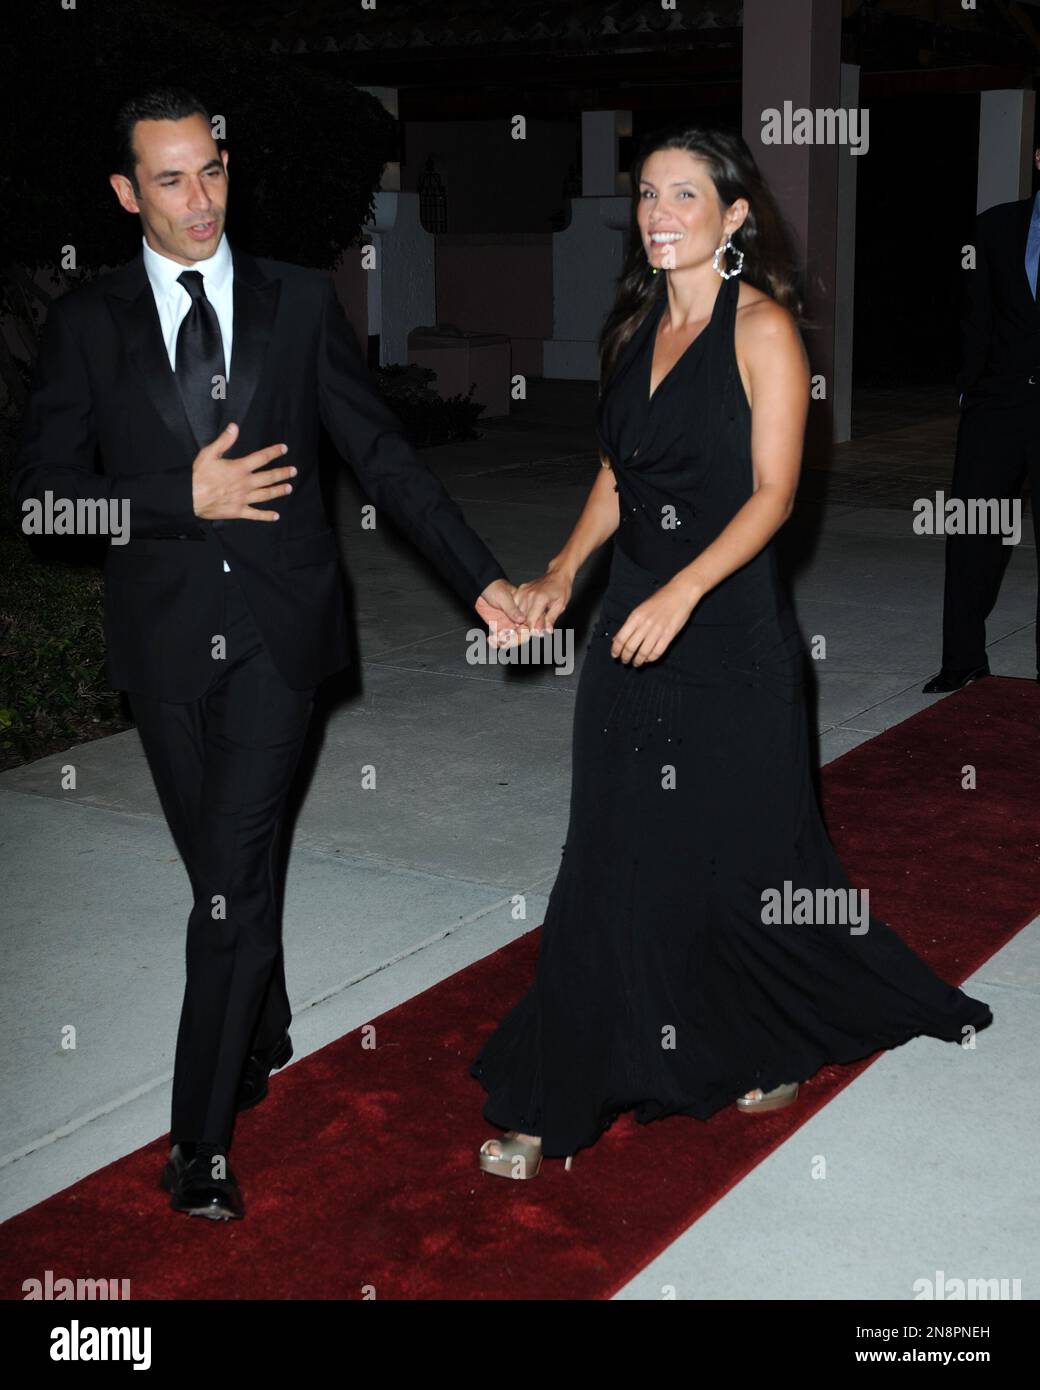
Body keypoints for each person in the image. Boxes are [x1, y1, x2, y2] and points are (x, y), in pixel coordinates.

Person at [12, 86, 526, 1220]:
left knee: (229, 886)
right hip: (161, 648)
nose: (198, 201)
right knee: (222, 879)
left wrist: (479, 577)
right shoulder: (89, 323)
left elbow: (380, 455)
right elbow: (44, 508)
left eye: (212, 170)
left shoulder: (297, 303)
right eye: (168, 179)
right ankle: (267, 1009)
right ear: (122, 191)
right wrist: (171, 498)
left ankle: (198, 1139)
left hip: (279, 641)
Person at [470, 128, 994, 1179]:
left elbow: (772, 496)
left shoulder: (764, 332)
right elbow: (617, 475)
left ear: (734, 214)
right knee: (609, 855)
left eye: (682, 195)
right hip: (630, 622)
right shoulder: (632, 330)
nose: (658, 214)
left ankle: (773, 1034)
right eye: (645, 196)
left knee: (748, 863)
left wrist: (680, 588)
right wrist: (565, 571)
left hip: (728, 635)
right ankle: (553, 1090)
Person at [923, 146, 1040, 693]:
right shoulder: (994, 227)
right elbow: (975, 316)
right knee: (974, 533)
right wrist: (970, 393)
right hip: (997, 407)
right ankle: (962, 658)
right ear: (1039, 157)